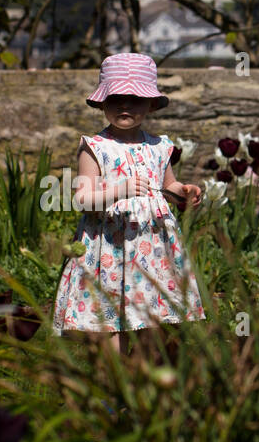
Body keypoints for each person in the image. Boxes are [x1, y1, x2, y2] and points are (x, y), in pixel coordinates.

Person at [52, 53, 206, 355]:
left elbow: (167, 186)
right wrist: (118, 190)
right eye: (115, 98)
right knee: (111, 319)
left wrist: (183, 192)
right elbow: (82, 198)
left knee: (155, 317)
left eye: (135, 99)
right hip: (110, 248)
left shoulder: (160, 146)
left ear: (150, 104)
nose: (125, 105)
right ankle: (112, 388)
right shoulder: (95, 147)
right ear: (102, 102)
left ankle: (149, 382)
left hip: (153, 248)